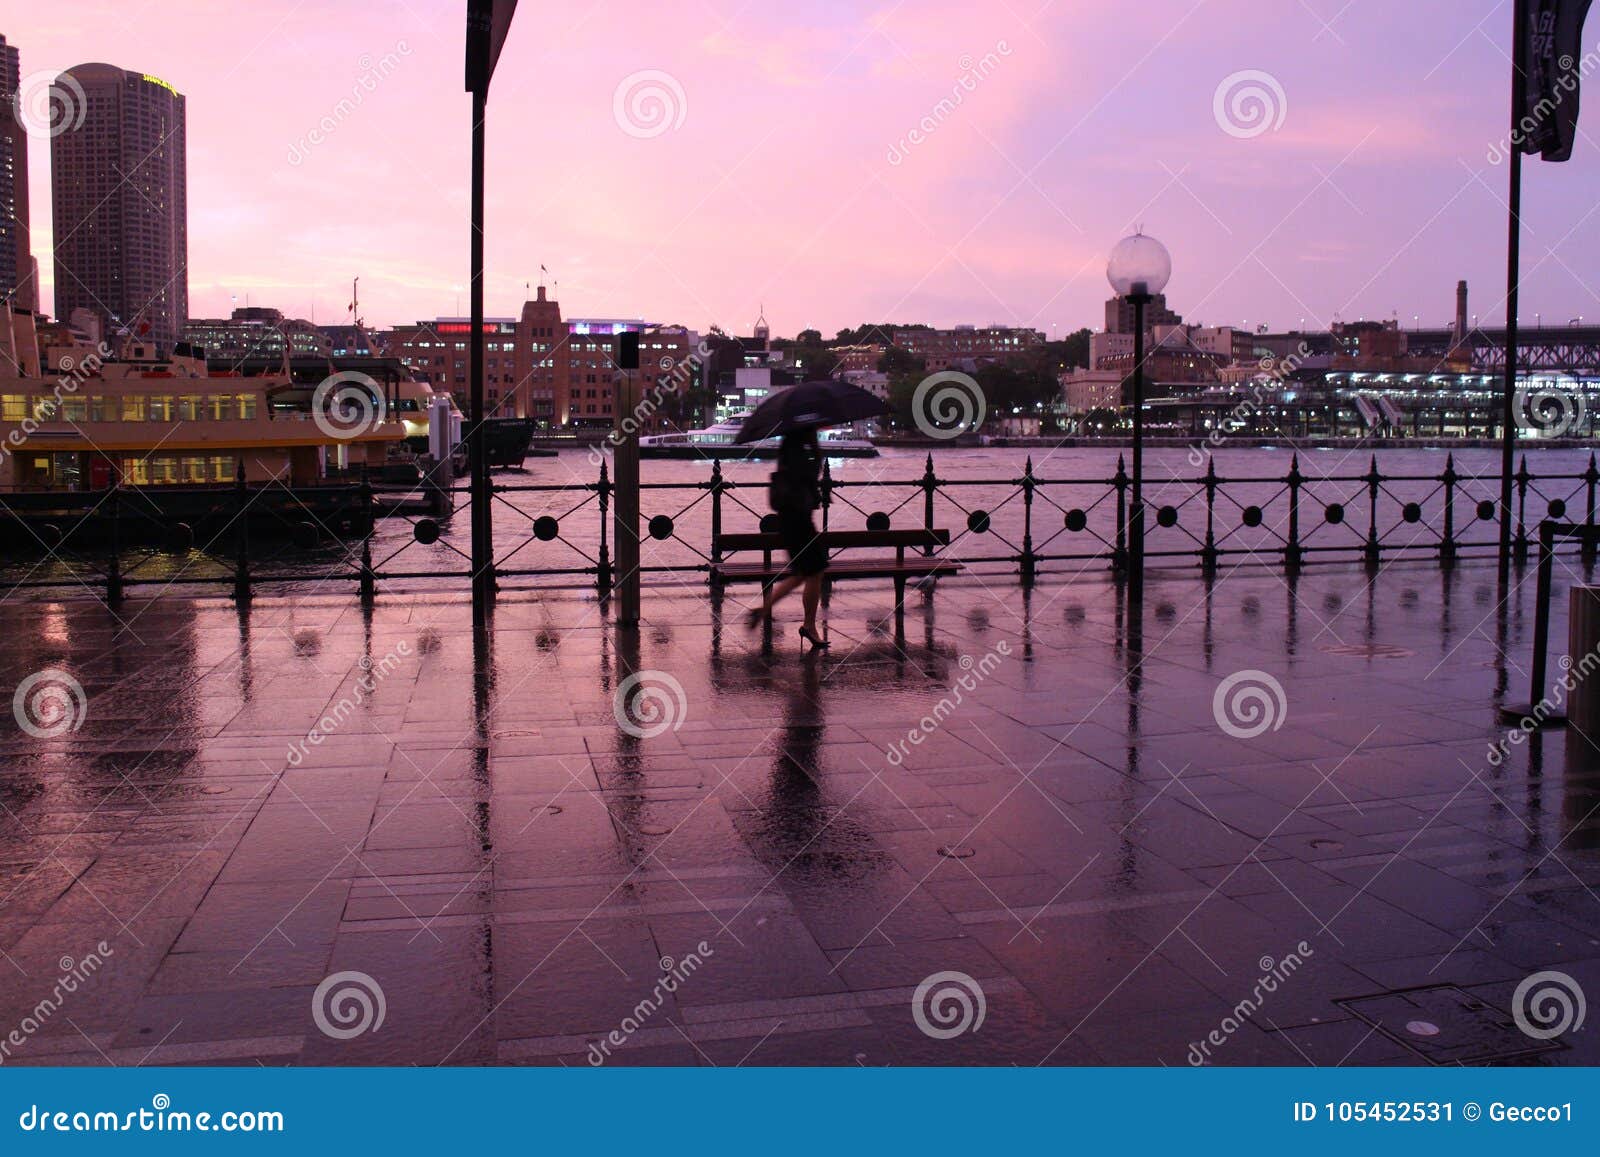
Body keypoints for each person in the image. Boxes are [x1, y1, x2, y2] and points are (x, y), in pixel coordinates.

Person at [746, 427, 829, 649]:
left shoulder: (787, 452)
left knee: (804, 573)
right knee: (813, 571)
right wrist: (817, 451)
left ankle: (769, 611)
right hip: (799, 521)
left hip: (791, 521)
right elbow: (808, 478)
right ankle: (806, 624)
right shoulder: (799, 454)